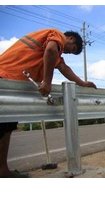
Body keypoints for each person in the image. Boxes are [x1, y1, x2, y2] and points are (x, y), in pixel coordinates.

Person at [0, 28, 97, 178]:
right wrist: (47, 81)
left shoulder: (55, 50)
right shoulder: (56, 34)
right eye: (72, 49)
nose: (68, 52)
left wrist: (82, 83)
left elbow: (63, 67)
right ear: (70, 38)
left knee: (6, 127)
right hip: (4, 78)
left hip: (12, 84)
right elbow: (51, 50)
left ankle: (2, 170)